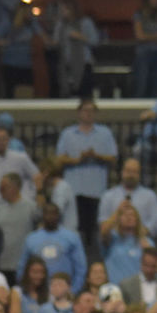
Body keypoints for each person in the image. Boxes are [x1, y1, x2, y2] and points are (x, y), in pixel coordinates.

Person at [54, 102, 117, 256]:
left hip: (97, 192)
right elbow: (58, 159)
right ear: (78, 113)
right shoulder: (68, 134)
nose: (88, 113)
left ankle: (94, 261)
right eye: (85, 110)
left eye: (91, 111)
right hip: (74, 192)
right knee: (76, 230)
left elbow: (113, 158)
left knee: (93, 233)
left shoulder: (105, 133)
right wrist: (77, 160)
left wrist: (96, 156)